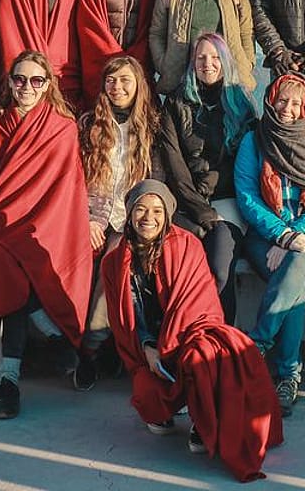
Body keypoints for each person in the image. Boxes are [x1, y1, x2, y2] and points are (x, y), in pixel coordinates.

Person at [102, 180, 284, 482]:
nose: (149, 217)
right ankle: (170, 408)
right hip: (152, 346)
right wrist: (147, 347)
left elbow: (197, 309)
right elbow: (124, 319)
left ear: (167, 214)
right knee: (147, 392)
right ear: (129, 213)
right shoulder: (114, 262)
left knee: (204, 356)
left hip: (187, 335)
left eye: (157, 210)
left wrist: (169, 347)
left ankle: (205, 420)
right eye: (141, 209)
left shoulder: (185, 245)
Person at [0, 51, 92, 419]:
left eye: (36, 80)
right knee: (4, 261)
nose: (26, 87)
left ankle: (9, 380)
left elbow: (65, 191)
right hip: (2, 224)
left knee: (14, 262)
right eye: (19, 79)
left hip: (44, 228)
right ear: (10, 83)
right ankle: (45, 340)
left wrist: (32, 223)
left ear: (48, 85)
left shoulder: (62, 128)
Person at [235, 73, 305, 416]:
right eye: (282, 100)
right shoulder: (255, 139)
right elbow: (247, 196)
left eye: (297, 103)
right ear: (271, 99)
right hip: (265, 237)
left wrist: (296, 234)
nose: (287, 108)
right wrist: (282, 235)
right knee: (294, 281)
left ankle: (258, 343)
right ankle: (288, 376)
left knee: (294, 263)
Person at [156, 33, 258, 323]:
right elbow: (174, 164)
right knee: (176, 266)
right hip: (186, 202)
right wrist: (200, 209)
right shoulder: (176, 102)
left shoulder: (241, 103)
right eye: (201, 57)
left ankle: (221, 338)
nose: (207, 63)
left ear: (225, 62)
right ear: (192, 62)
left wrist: (213, 211)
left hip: (228, 201)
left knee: (220, 268)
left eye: (215, 57)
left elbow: (245, 165)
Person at [76, 56, 160, 389]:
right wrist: (86, 220)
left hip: (131, 221)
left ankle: (90, 348)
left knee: (115, 264)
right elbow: (73, 178)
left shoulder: (150, 127)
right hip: (90, 217)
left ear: (138, 85)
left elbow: (155, 182)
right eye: (111, 80)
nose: (117, 87)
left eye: (125, 80)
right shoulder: (89, 124)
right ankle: (73, 341)